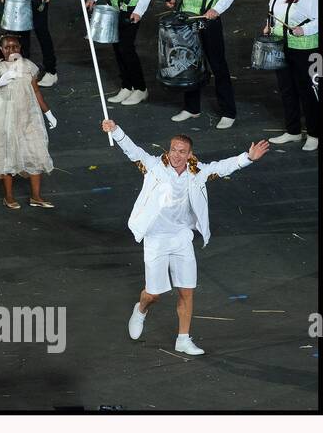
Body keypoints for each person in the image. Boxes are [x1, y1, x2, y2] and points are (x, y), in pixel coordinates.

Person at [102, 118, 270, 355]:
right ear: (168, 150)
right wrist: (116, 130)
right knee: (154, 294)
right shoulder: (153, 166)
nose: (176, 155)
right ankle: (140, 310)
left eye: (182, 152)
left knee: (186, 290)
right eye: (173, 150)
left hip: (181, 237)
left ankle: (183, 339)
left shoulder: (198, 173)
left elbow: (222, 167)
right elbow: (132, 150)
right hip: (156, 237)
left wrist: (248, 158)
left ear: (190, 154)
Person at [165, 0, 240, 128]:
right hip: (187, 18)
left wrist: (217, 9)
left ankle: (228, 112)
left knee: (217, 64)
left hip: (208, 21)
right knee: (188, 61)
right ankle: (191, 108)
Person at [0, 35, 56, 209]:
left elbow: (36, 91)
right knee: (8, 155)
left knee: (35, 151)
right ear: (2, 50)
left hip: (29, 117)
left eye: (15, 47)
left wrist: (48, 112)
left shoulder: (28, 66)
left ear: (20, 48)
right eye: (8, 47)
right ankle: (9, 196)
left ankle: (36, 196)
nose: (12, 50)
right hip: (6, 119)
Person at [263, 0, 320, 151]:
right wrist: (269, 25)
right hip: (282, 46)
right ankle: (293, 131)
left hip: (306, 49)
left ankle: (314, 134)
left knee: (309, 91)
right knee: (287, 89)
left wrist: (304, 30)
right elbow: (272, 12)